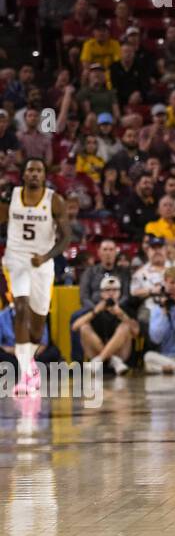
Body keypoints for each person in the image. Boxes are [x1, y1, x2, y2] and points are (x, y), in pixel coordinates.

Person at [0, 159, 71, 395]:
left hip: (42, 263)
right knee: (20, 308)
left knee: (38, 326)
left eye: (38, 170)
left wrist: (47, 255)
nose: (34, 174)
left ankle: (31, 365)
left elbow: (66, 238)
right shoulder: (13, 197)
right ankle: (25, 372)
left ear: (44, 175)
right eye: (29, 169)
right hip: (17, 259)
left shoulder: (55, 201)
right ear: (23, 174)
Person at [71, 275, 137, 375]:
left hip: (121, 356)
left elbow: (136, 332)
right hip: (99, 356)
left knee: (125, 327)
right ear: (101, 293)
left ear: (119, 293)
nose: (111, 293)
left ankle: (101, 359)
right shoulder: (95, 309)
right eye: (107, 290)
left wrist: (121, 315)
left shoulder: (126, 309)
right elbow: (75, 327)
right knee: (84, 327)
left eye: (114, 290)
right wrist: (95, 312)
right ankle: (110, 360)